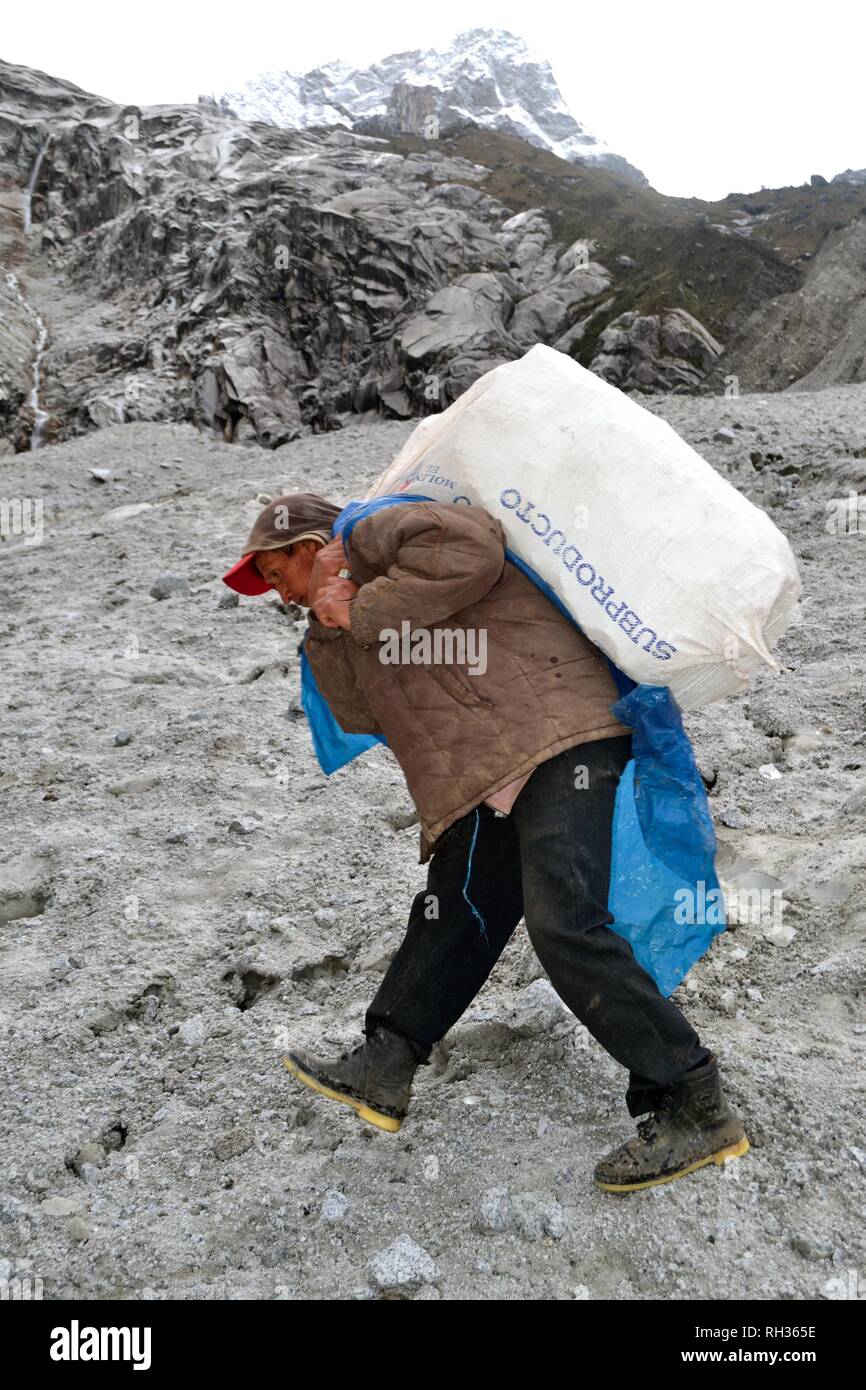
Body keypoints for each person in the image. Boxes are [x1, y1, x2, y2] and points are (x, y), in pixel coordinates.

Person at [222, 492, 749, 1192]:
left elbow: (472, 546)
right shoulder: (341, 596)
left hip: (561, 737)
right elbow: (354, 710)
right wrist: (329, 616)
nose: (276, 592)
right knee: (459, 906)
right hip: (488, 772)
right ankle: (386, 1063)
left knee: (566, 923)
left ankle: (695, 1102)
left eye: (275, 572)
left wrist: (362, 596)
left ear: (305, 544)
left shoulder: (376, 536)